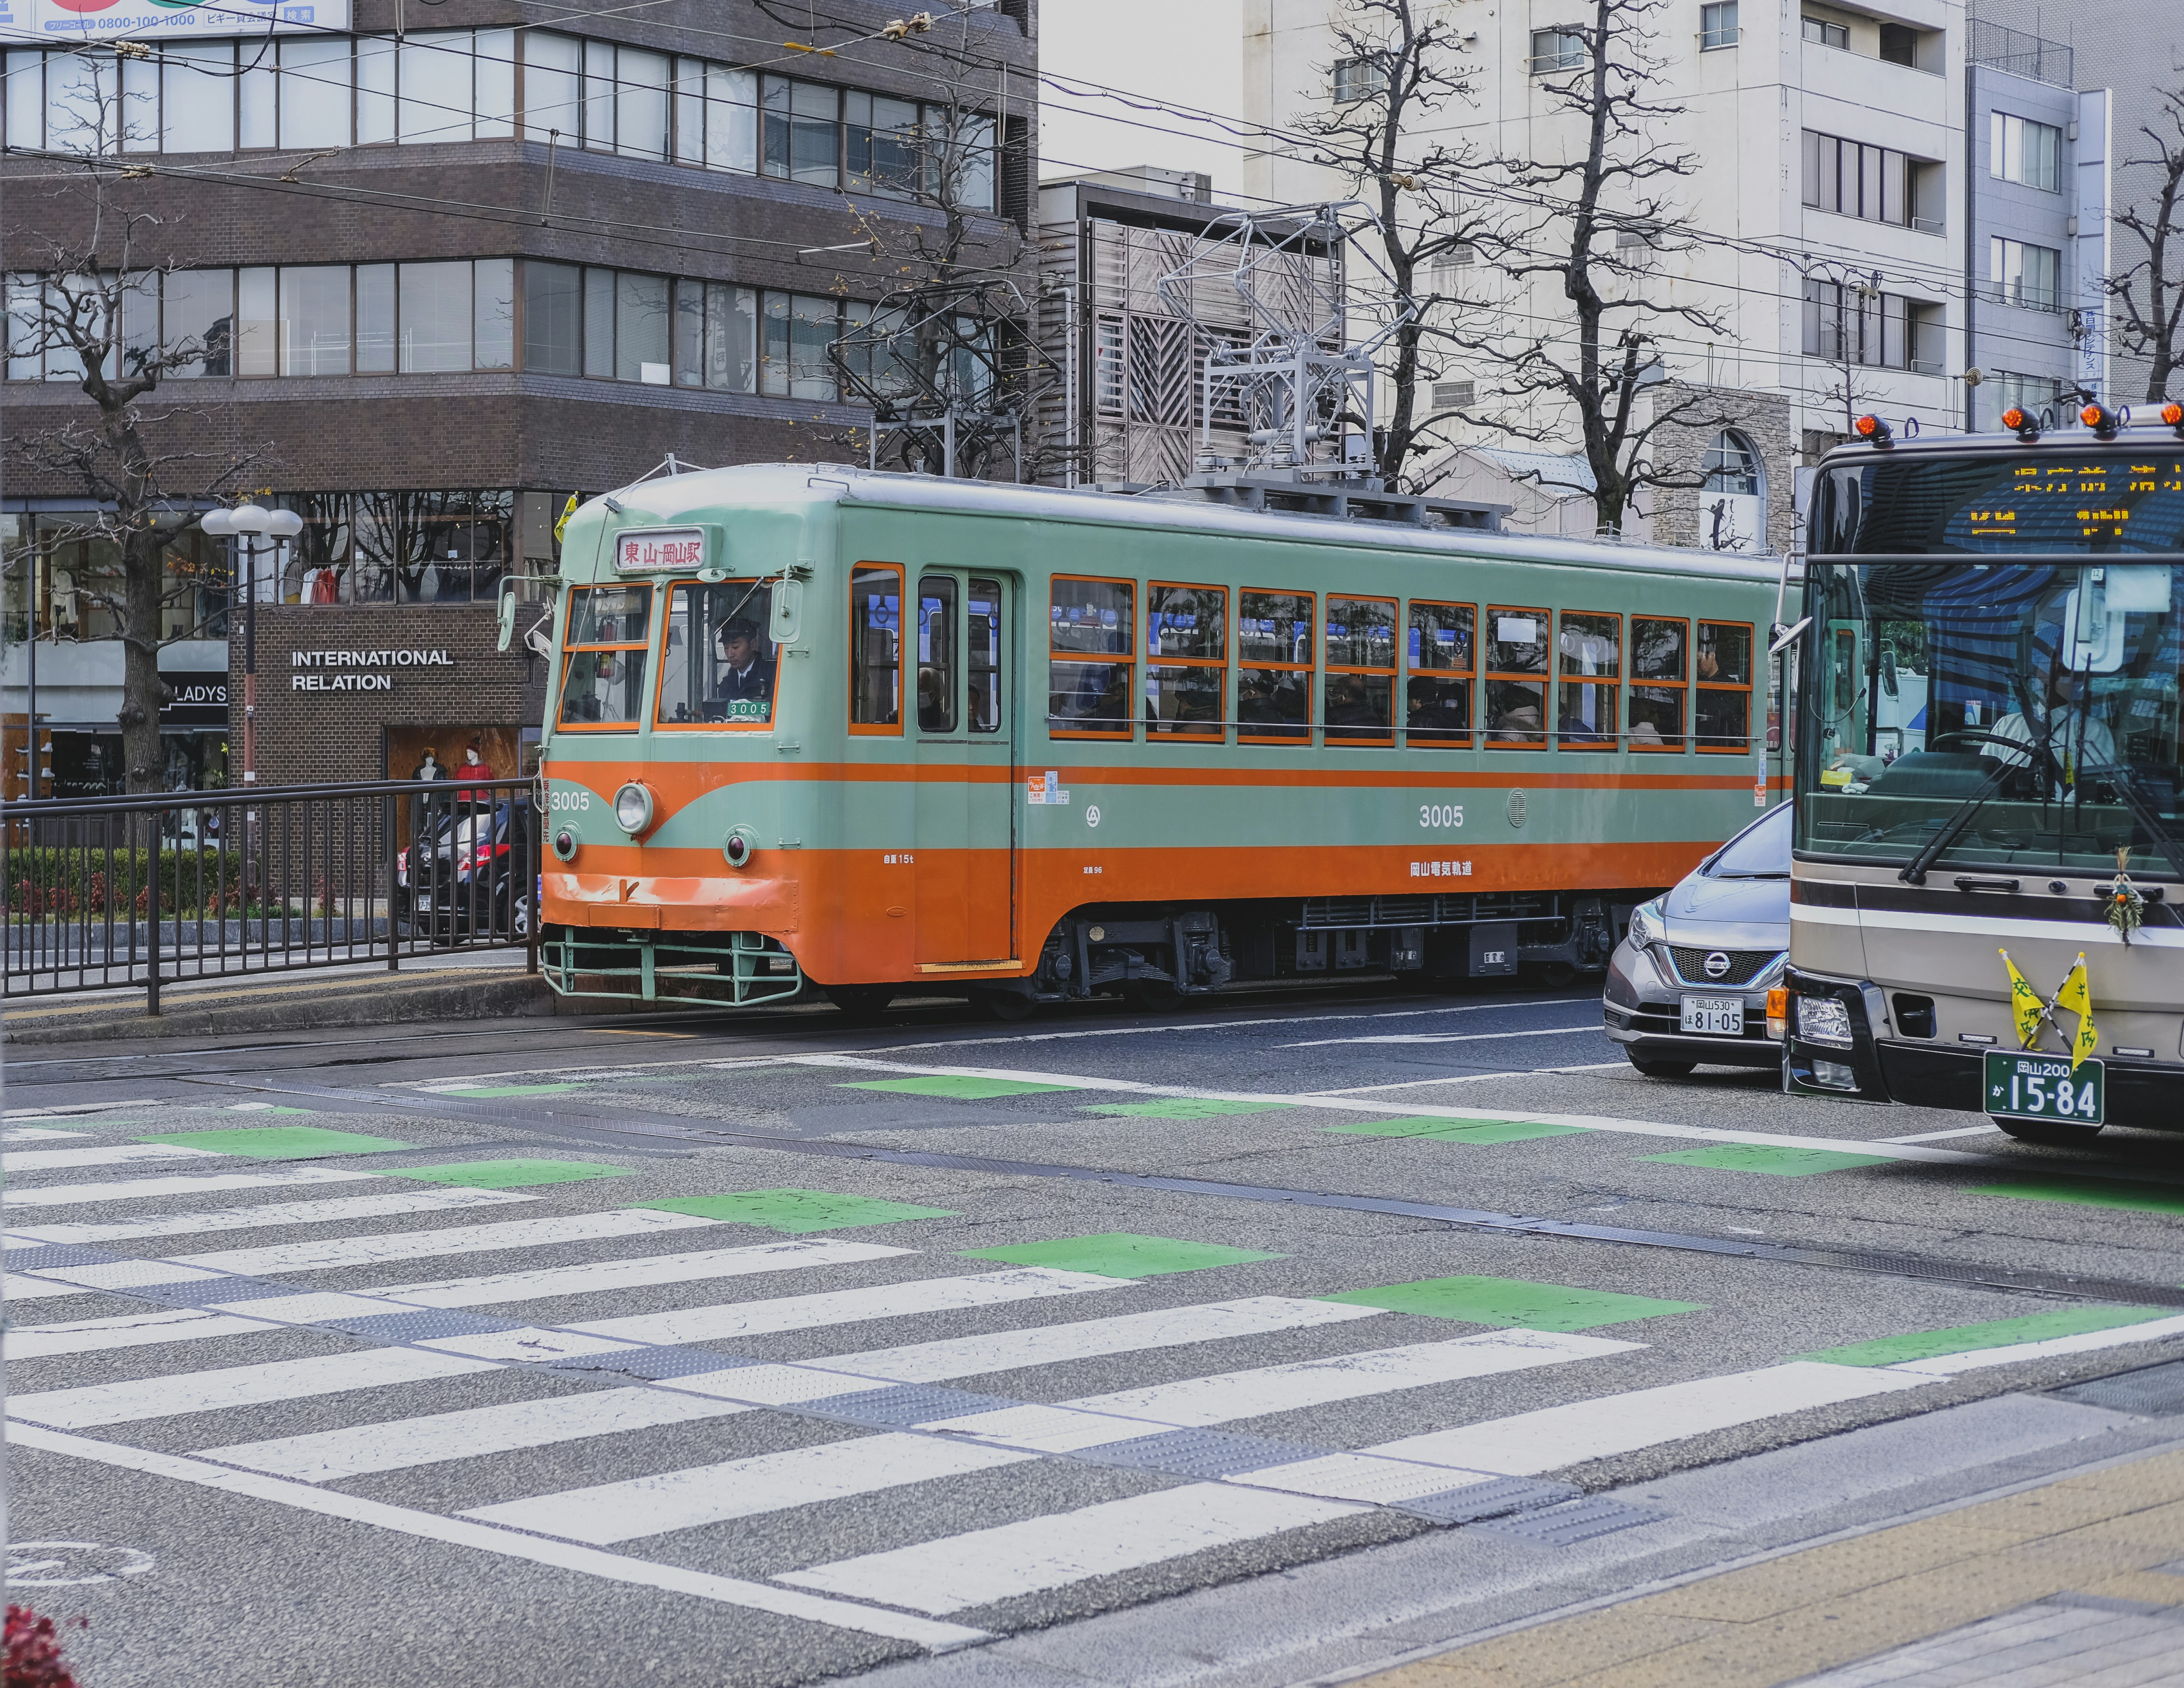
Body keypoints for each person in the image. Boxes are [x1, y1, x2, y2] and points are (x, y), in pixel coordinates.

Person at [1982, 669, 2118, 797]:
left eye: (2059, 675)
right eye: (2041, 675)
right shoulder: (2008, 724)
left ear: (2078, 683)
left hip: (2063, 815)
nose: (2046, 682)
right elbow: (1983, 776)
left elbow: (2095, 788)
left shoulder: (2092, 730)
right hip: (2003, 811)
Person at [713, 617, 775, 718]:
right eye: (726, 648)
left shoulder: (773, 676)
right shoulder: (726, 685)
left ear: (753, 645)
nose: (730, 654)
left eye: (735, 647)